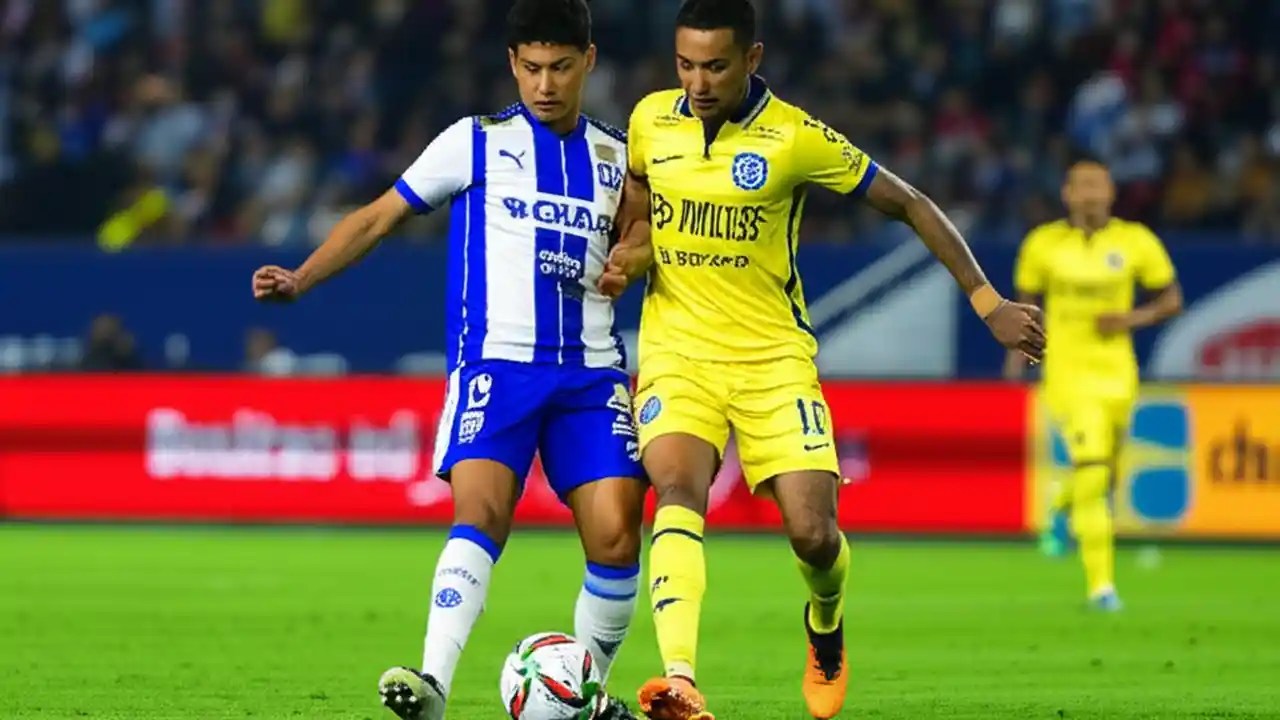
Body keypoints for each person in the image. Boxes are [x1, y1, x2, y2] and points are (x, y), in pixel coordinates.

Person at [596, 1, 1046, 718]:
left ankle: (826, 622)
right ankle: (679, 678)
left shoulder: (794, 137)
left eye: (715, 66)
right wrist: (631, 252)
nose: (698, 82)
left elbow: (910, 203)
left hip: (773, 361)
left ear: (752, 58)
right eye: (686, 65)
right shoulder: (652, 120)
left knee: (813, 535)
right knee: (676, 490)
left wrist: (987, 301)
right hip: (679, 352)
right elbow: (645, 208)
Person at [252, 1, 646, 718]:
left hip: (591, 373)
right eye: (532, 67)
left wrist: (631, 257)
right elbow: (379, 215)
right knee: (483, 511)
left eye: (561, 67)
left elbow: (644, 231)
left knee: (618, 537)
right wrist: (303, 278)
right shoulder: (475, 142)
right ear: (512, 64)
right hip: (498, 365)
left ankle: (585, 699)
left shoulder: (619, 156)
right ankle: (432, 683)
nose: (546, 84)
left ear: (588, 62)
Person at [1005, 160, 1182, 610]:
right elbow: (1025, 306)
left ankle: (1059, 506)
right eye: (1080, 185)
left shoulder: (1135, 241)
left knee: (1107, 473)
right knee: (1093, 466)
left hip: (1118, 372)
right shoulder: (1042, 244)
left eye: (1097, 184)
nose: (1089, 193)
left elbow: (1171, 299)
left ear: (1111, 192)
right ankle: (1102, 587)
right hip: (1066, 370)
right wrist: (1018, 354)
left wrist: (1130, 319)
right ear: (1066, 193)